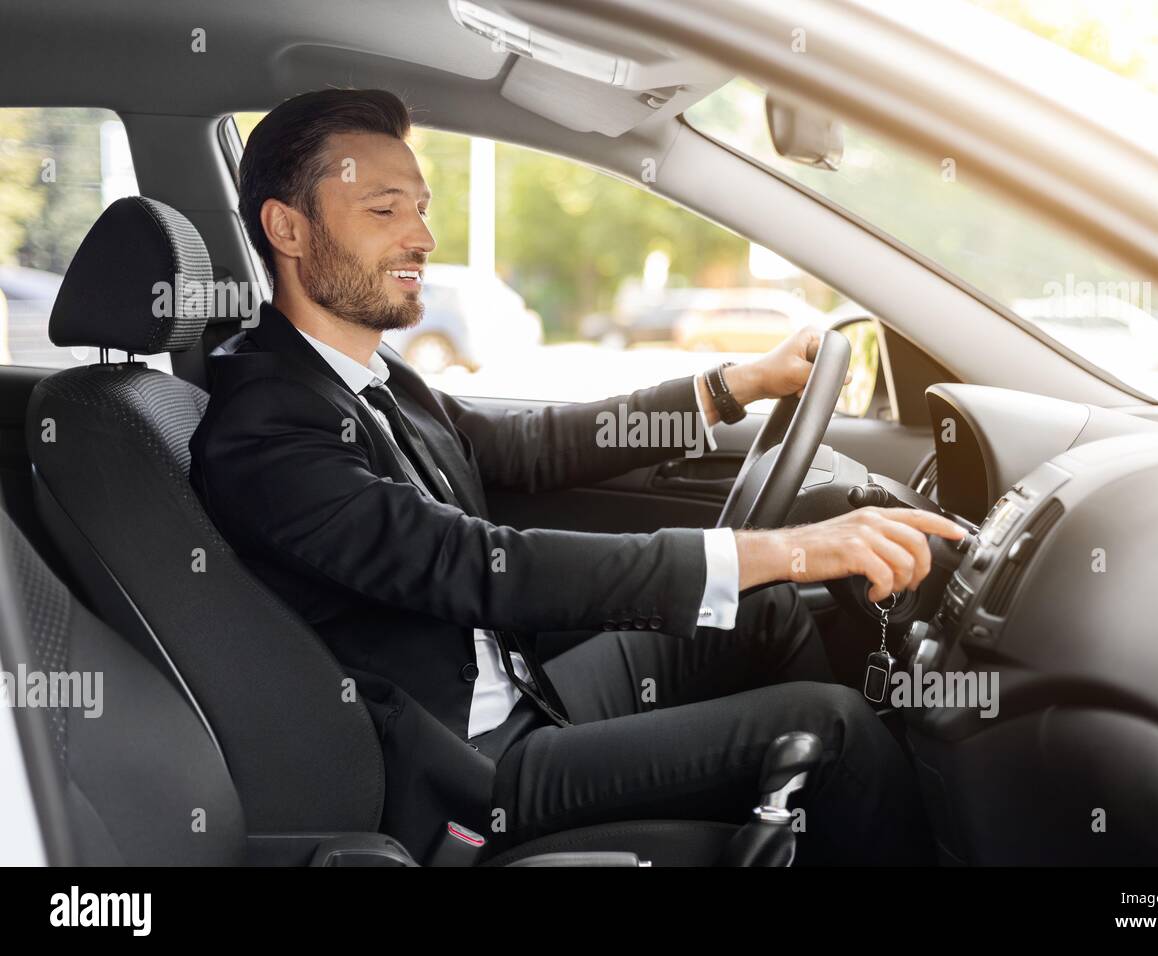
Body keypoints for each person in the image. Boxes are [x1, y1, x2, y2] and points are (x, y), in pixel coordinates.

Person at [189, 88, 964, 865]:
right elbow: (481, 565)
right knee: (829, 728)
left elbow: (532, 446)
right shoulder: (265, 429)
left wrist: (740, 385)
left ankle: (792, 827)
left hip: (524, 690)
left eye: (421, 208)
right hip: (472, 767)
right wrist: (789, 550)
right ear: (288, 227)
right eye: (386, 211)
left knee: (760, 613)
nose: (423, 236)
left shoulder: (369, 373)